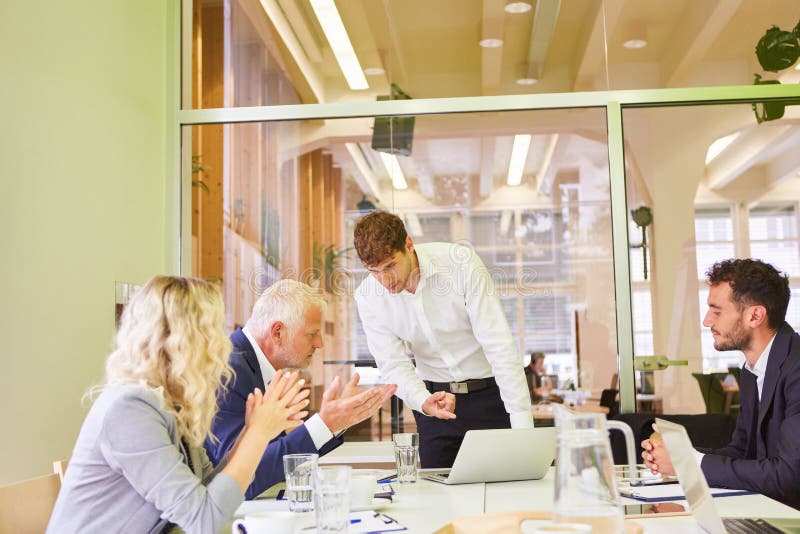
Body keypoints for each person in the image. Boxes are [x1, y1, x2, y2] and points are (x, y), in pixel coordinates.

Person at [47, 276, 309, 533]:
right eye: (211, 332)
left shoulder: (170, 402)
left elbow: (205, 489)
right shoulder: (129, 409)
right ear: (180, 341)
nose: (221, 344)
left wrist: (248, 435)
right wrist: (259, 435)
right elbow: (202, 521)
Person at [353, 210, 533, 468]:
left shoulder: (460, 263)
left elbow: (499, 345)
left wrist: (523, 431)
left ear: (408, 245)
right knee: (437, 499)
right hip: (434, 404)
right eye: (374, 271)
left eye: (390, 266)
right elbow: (393, 364)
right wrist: (422, 401)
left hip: (491, 398)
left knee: (507, 489)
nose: (385, 280)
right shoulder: (368, 297)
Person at [205, 279, 397, 499]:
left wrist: (338, 421)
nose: (320, 343)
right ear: (277, 332)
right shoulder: (230, 370)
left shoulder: (251, 365)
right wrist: (326, 424)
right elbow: (241, 480)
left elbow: (268, 457)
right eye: (312, 333)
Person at [641, 259, 800, 510]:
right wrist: (678, 453)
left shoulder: (797, 369)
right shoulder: (753, 369)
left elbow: (789, 477)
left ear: (755, 315)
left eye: (716, 311)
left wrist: (690, 462)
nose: (707, 321)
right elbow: (743, 453)